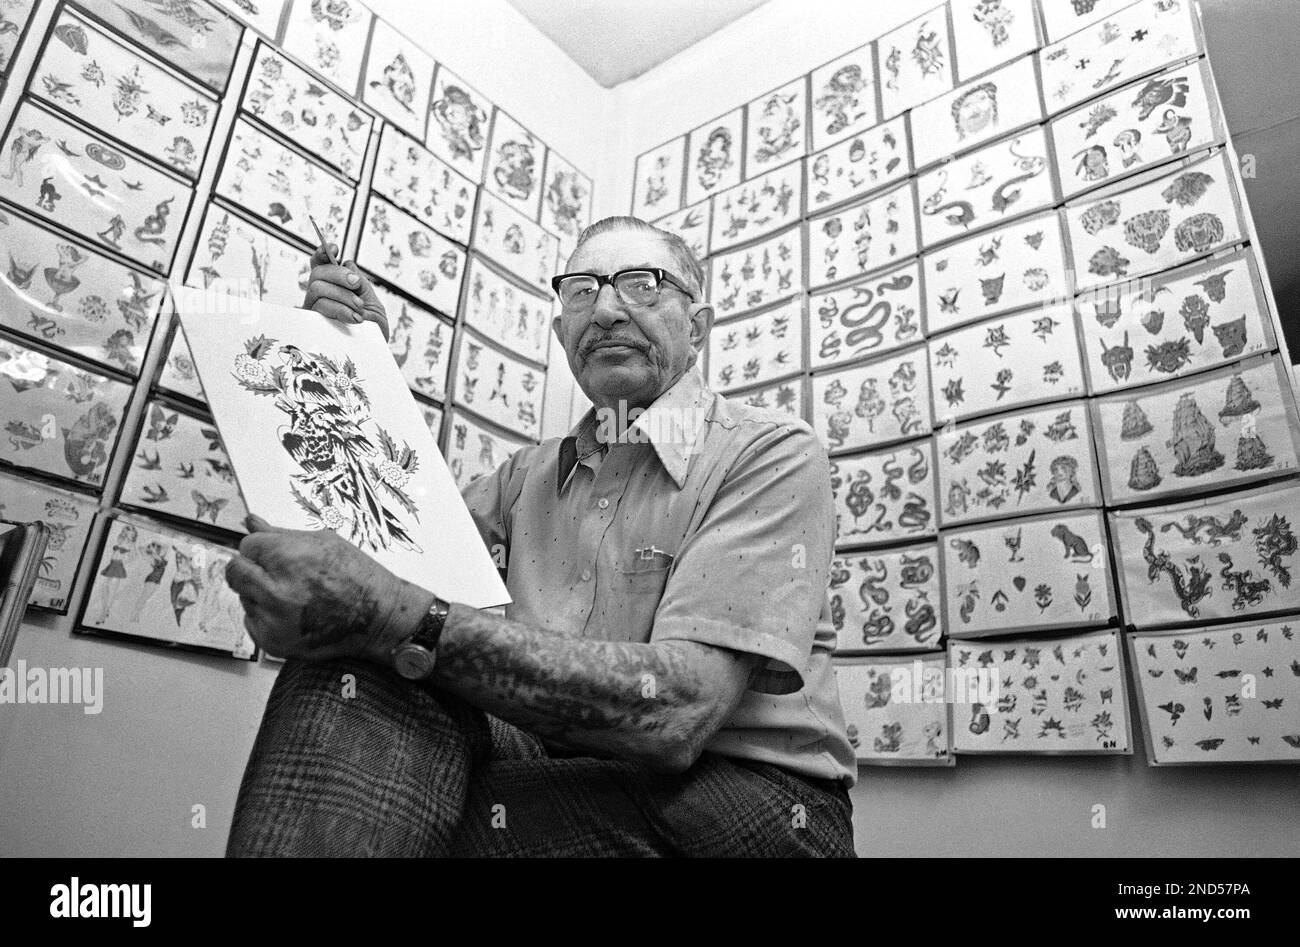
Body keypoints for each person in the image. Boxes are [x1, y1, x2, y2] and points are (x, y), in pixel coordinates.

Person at [223, 216, 856, 857]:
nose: (606, 310)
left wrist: (399, 616)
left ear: (696, 327)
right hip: (557, 761)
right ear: (562, 333)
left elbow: (679, 713)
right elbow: (385, 557)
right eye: (581, 291)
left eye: (642, 284)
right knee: (357, 659)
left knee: (443, 819)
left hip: (749, 796)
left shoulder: (771, 452)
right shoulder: (525, 477)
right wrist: (351, 365)